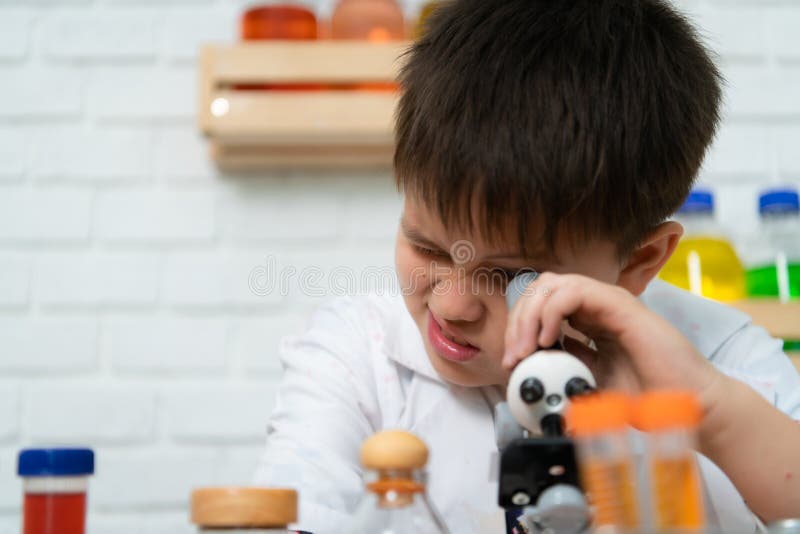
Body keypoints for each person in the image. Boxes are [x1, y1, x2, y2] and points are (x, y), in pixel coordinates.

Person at [254, 0, 800, 531]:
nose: (451, 305)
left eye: (512, 278)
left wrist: (707, 408)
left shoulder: (720, 357)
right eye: (427, 247)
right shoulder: (356, 356)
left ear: (639, 262)